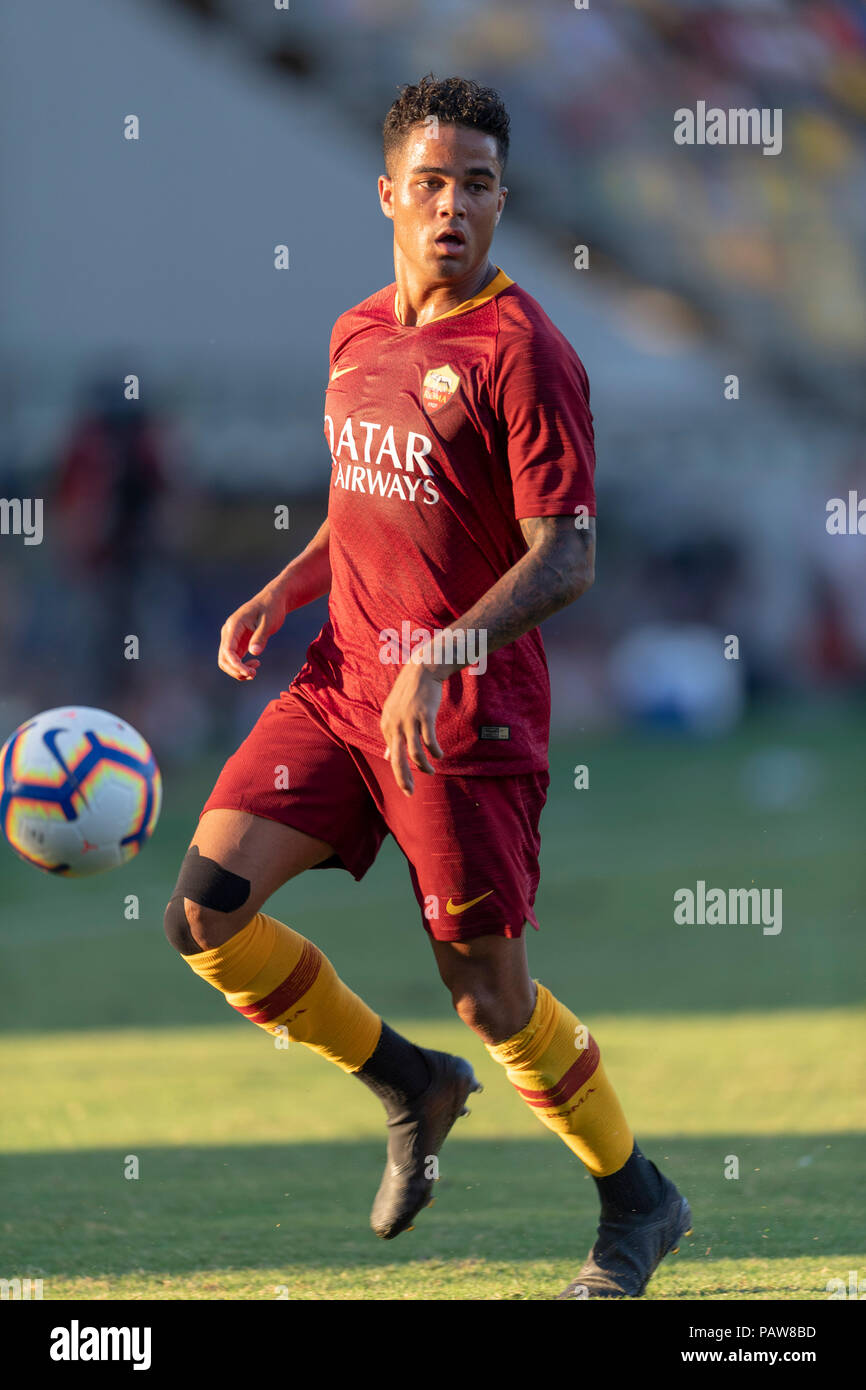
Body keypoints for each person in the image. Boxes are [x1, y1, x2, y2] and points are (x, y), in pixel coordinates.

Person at [163, 74, 691, 1299]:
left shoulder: (524, 351)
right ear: (389, 193)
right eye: (433, 183)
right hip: (343, 688)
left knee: (488, 992)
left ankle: (637, 1199)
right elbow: (365, 499)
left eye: (480, 185)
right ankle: (406, 1083)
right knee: (202, 913)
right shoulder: (356, 331)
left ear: (503, 200)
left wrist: (444, 651)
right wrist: (285, 589)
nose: (454, 206)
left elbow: (567, 550)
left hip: (463, 716)